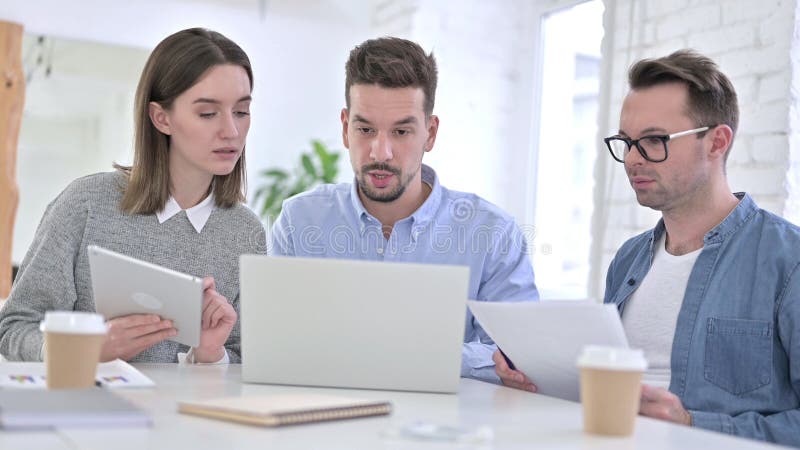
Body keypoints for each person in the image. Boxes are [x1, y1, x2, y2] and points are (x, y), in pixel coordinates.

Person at [495, 49, 800, 446]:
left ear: (717, 142)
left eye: (654, 141)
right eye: (626, 142)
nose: (633, 159)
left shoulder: (787, 262)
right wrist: (537, 380)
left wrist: (690, 423)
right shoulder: (629, 260)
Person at [271, 37, 539, 382]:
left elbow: (516, 353)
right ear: (344, 127)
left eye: (401, 131)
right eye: (365, 129)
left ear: (430, 133)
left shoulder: (493, 233)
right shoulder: (298, 221)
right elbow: (278, 342)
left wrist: (401, 353)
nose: (380, 153)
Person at [0, 28, 265, 364]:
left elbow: (245, 359)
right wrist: (87, 349)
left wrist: (211, 354)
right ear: (161, 117)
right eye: (208, 113)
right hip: (91, 413)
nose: (231, 130)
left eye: (241, 111)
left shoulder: (246, 233)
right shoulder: (86, 204)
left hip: (191, 416)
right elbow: (13, 329)